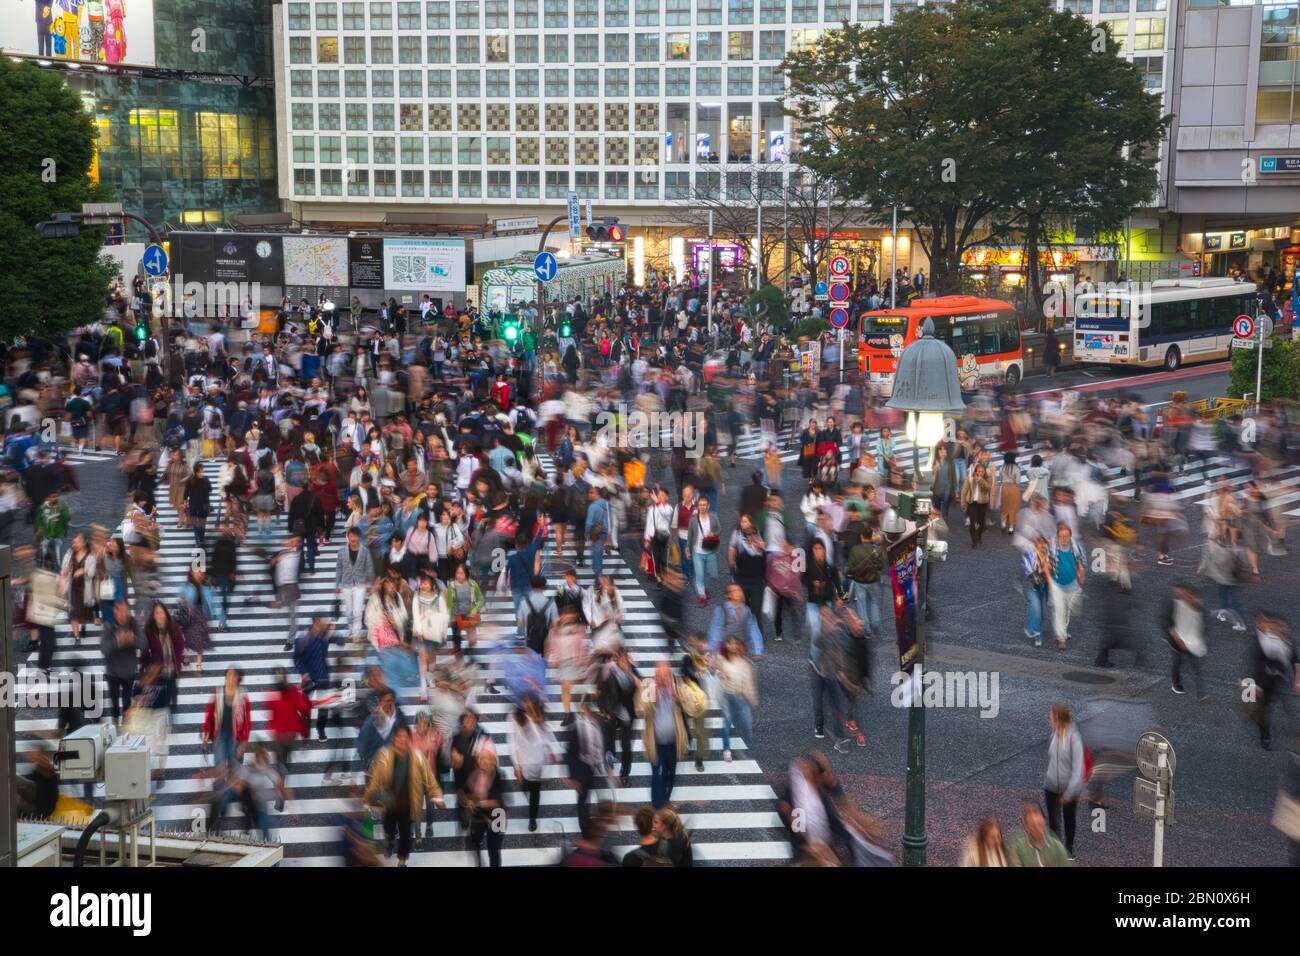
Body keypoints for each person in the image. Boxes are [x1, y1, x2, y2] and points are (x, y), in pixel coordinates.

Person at [362, 724, 445, 867]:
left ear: (409, 739)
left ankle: (402, 861)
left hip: (409, 806)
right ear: (394, 738)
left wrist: (437, 796)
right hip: (388, 805)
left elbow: (429, 778)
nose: (402, 740)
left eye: (405, 737)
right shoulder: (384, 755)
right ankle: (390, 842)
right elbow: (375, 781)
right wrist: (368, 800)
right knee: (389, 829)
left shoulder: (417, 757)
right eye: (399, 737)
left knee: (406, 835)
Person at [638, 660, 688, 809]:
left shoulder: (677, 686)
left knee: (671, 775)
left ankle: (665, 801)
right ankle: (658, 808)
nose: (663, 677)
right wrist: (654, 697)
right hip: (656, 743)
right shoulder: (648, 685)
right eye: (660, 674)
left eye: (666, 674)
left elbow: (691, 706)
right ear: (655, 674)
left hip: (674, 742)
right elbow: (640, 709)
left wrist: (678, 698)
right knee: (658, 776)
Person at [1043, 703, 1086, 860]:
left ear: (1058, 718)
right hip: (1051, 785)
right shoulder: (1054, 735)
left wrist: (1069, 793)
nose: (1049, 719)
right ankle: (1055, 848)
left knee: (1069, 818)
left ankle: (1068, 848)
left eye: (1051, 717)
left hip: (1069, 787)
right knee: (1053, 819)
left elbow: (1078, 770)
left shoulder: (1074, 739)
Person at [509, 698, 557, 832]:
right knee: (524, 786)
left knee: (535, 792)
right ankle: (525, 788)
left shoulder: (541, 719)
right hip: (524, 763)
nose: (529, 708)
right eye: (526, 705)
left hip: (538, 763)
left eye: (532, 705)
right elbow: (512, 743)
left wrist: (553, 753)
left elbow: (549, 737)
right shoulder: (515, 718)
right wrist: (516, 766)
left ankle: (532, 819)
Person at [202, 667, 251, 773]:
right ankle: (222, 784)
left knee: (234, 766)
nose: (231, 678)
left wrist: (244, 740)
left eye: (234, 676)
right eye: (229, 675)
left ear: (238, 679)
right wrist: (206, 733)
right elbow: (209, 713)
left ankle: (231, 786)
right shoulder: (218, 691)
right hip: (219, 734)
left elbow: (247, 720)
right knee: (220, 764)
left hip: (236, 735)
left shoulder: (243, 695)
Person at [1165, 582, 1208, 699]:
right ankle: (1176, 684)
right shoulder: (1174, 605)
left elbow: (1201, 625)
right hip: (1177, 643)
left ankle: (1200, 691)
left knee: (1195, 665)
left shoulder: (1197, 607)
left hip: (1191, 641)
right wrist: (1179, 641)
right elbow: (1169, 626)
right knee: (1177, 663)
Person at [1048, 522, 1085, 648]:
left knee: (1067, 611)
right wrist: (1049, 579)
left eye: (1066, 536)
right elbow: (1047, 565)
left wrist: (1081, 579)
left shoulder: (1076, 548)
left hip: (1072, 584)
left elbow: (1080, 565)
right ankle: (1061, 637)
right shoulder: (1052, 548)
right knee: (1059, 610)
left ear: (1070, 537)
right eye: (1061, 536)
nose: (1064, 539)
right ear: (1057, 537)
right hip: (1057, 584)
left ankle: (1062, 630)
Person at [1008, 802, 1072, 867]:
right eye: (1032, 825)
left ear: (1045, 822)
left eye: (1040, 824)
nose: (1037, 829)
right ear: (1026, 826)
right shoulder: (1017, 848)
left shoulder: (1057, 848)